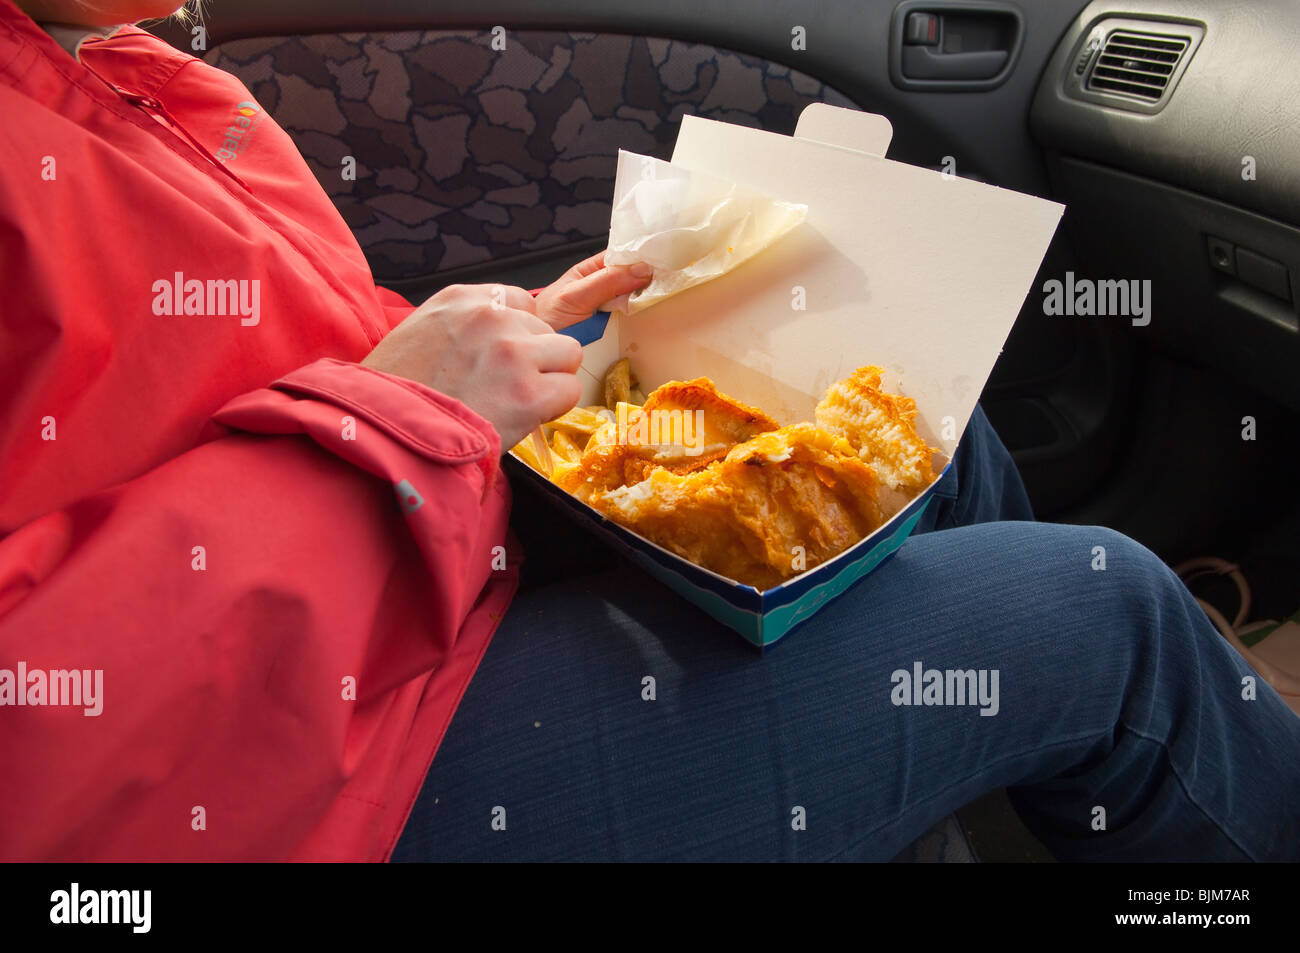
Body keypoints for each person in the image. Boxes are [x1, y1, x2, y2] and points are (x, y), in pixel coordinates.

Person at [1, 0, 1295, 862]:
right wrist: (399, 425)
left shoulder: (101, 65)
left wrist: (482, 347)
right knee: (1108, 621)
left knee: (923, 447)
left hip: (387, 598)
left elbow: (248, 368)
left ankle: (1056, 775)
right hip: (296, 793)